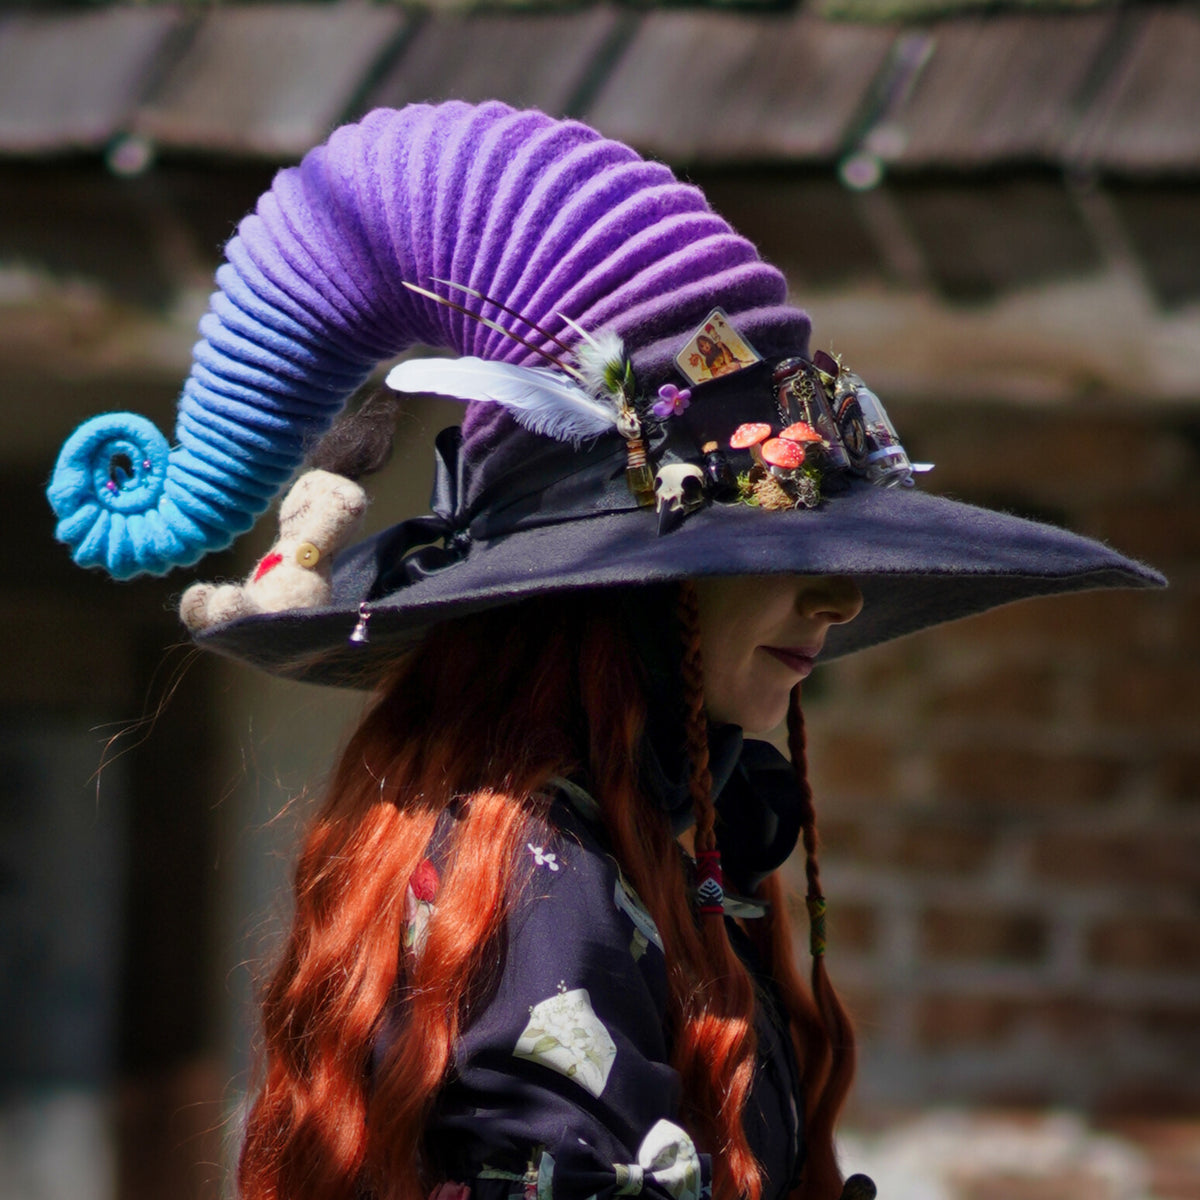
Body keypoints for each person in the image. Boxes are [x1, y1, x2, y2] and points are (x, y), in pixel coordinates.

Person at [46, 102, 1161, 1200]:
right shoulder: (542, 888)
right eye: (769, 547)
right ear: (613, 592)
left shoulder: (636, 858)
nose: (839, 598)